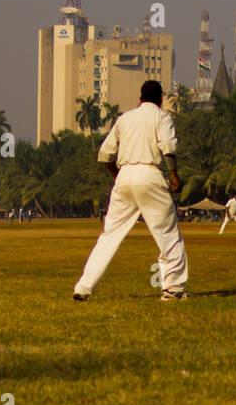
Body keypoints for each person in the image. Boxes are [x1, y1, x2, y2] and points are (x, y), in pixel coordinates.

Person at [73, 81, 188, 301]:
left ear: (140, 97)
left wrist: (118, 176)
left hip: (124, 175)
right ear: (161, 98)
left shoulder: (124, 119)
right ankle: (172, 290)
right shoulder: (162, 117)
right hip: (150, 173)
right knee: (167, 235)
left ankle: (83, 287)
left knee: (109, 236)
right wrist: (174, 175)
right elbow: (168, 147)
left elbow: (105, 154)